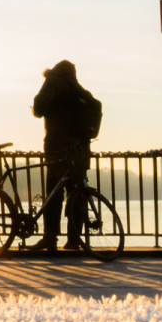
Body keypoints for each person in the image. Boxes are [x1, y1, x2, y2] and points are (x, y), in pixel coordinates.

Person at [28, 60, 103, 252]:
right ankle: (74, 239)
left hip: (58, 149)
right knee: (76, 193)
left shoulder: (53, 82)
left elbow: (38, 109)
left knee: (54, 193)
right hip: (79, 150)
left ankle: (50, 237)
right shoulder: (79, 90)